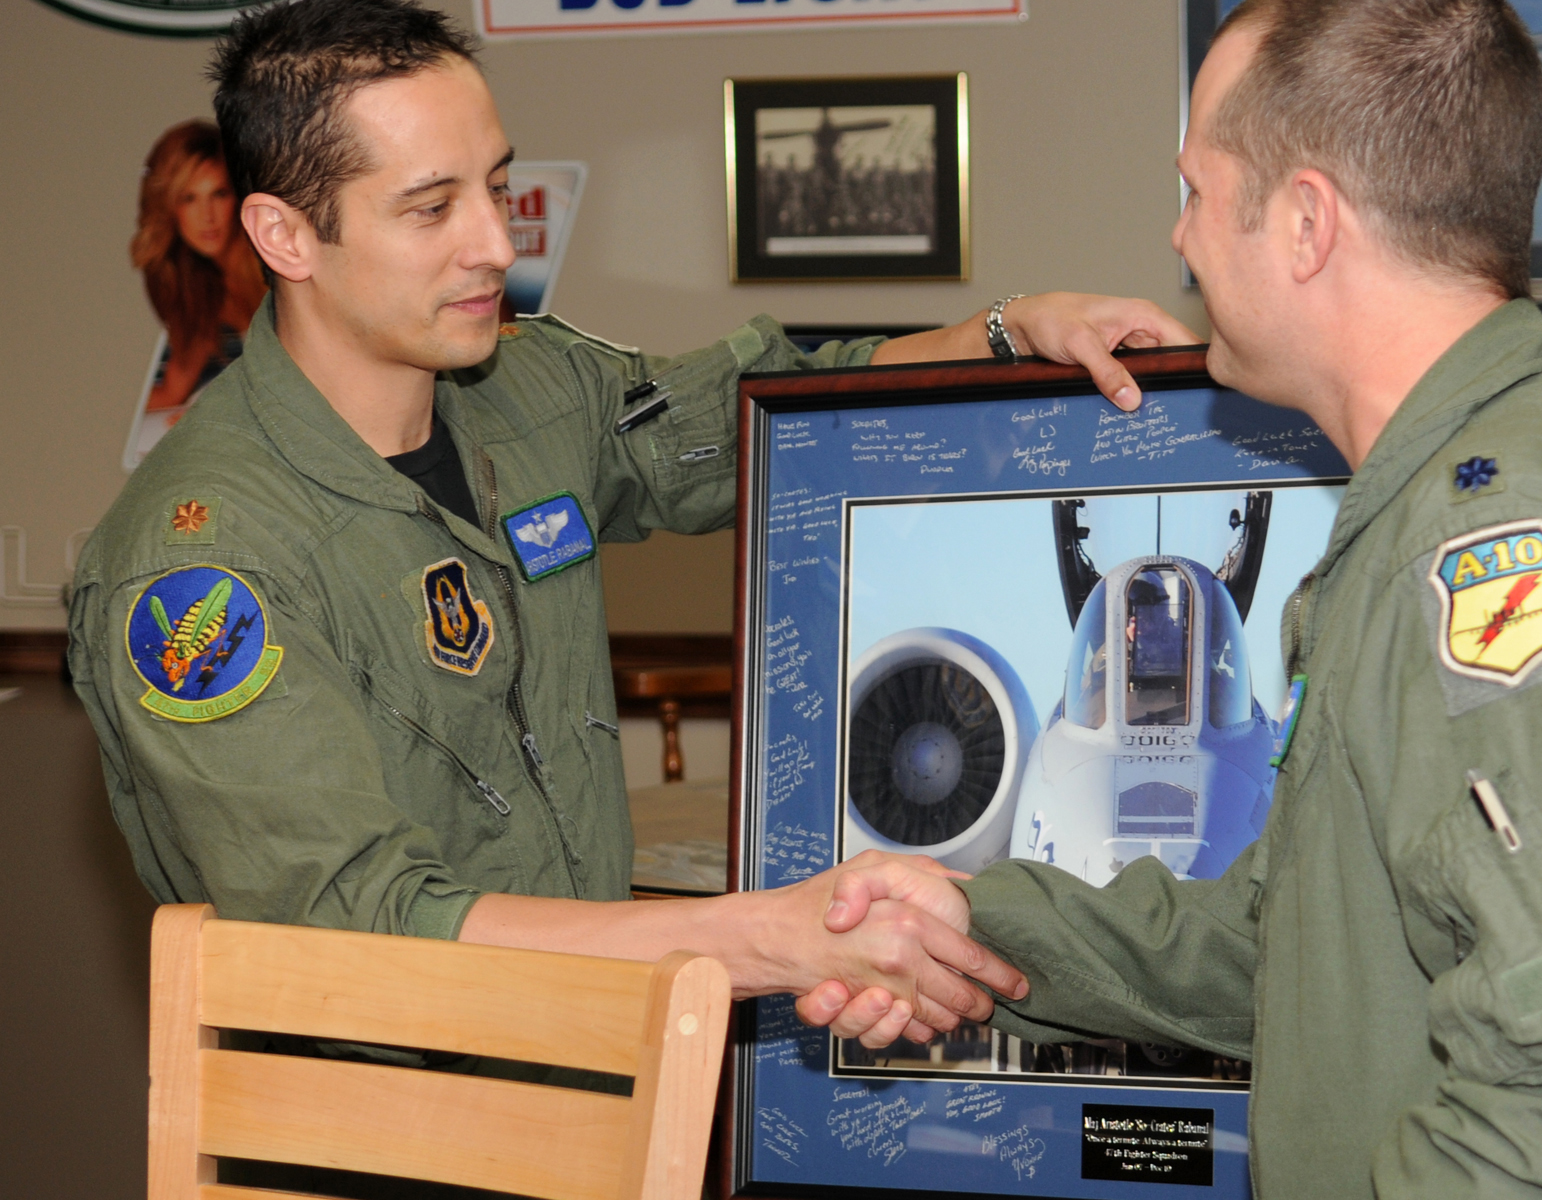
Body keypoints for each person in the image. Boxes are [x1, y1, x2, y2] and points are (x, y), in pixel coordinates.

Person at [67, 0, 1195, 1071]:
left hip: (594, 1083)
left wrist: (999, 336)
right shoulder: (198, 571)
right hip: (372, 1140)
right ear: (283, 235)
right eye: (430, 207)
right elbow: (368, 932)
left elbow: (767, 411)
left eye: (496, 188)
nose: (491, 245)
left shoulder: (526, 389)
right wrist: (765, 942)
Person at [810, 0, 1542, 1196]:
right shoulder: (1439, 510)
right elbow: (1307, 946)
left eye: (1194, 190)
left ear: (1304, 222)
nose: (1179, 242)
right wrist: (968, 920)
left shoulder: (1497, 547)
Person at [131, 120, 267, 412]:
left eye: (219, 194)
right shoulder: (198, 287)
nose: (207, 216)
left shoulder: (271, 264)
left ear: (238, 196)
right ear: (169, 207)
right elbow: (172, 391)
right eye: (189, 198)